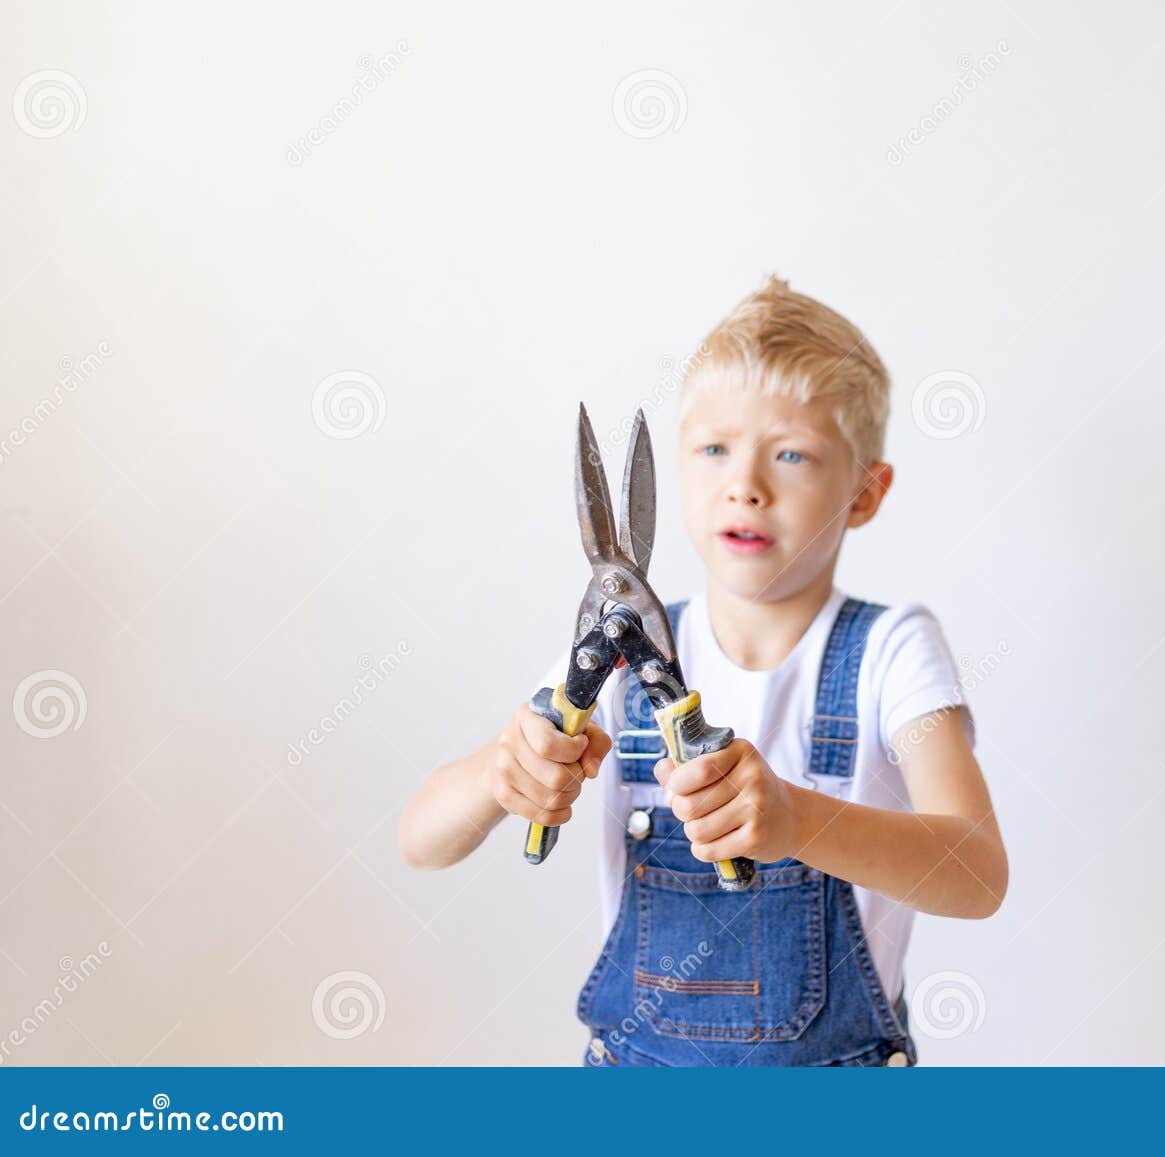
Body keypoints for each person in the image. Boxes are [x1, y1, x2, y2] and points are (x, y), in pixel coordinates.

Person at [398, 275, 1008, 1066]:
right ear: (678, 471)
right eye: (714, 448)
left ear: (865, 493)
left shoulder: (894, 651)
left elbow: (976, 872)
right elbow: (421, 839)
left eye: (790, 454)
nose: (744, 484)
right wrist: (500, 774)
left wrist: (797, 820)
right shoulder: (616, 651)